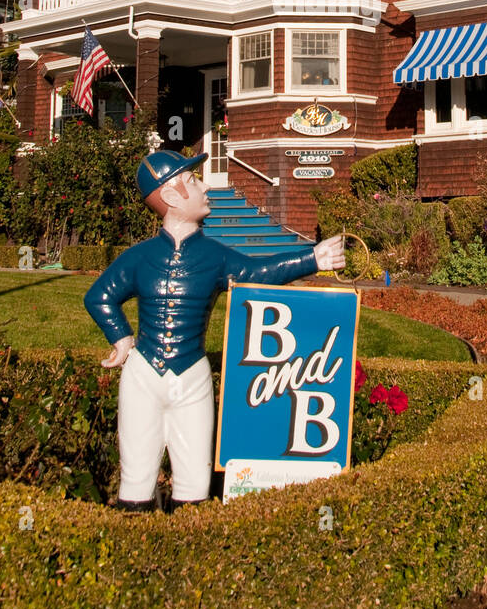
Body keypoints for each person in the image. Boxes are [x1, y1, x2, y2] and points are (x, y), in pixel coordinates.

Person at [83, 150, 345, 512]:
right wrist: (122, 338)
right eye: (192, 180)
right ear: (172, 196)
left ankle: (189, 547)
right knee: (135, 478)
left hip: (191, 376)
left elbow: (257, 274)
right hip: (143, 375)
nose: (205, 186)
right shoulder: (139, 257)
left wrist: (312, 259)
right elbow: (99, 297)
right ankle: (133, 544)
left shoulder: (214, 256)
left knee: (194, 480)